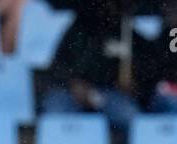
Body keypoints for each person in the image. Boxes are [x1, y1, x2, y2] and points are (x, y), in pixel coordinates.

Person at [39, 0, 151, 129]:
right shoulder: (78, 30)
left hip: (108, 95)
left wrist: (135, 84)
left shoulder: (129, 35)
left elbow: (147, 72)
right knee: (56, 113)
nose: (114, 9)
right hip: (69, 93)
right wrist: (73, 83)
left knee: (129, 115)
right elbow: (58, 67)